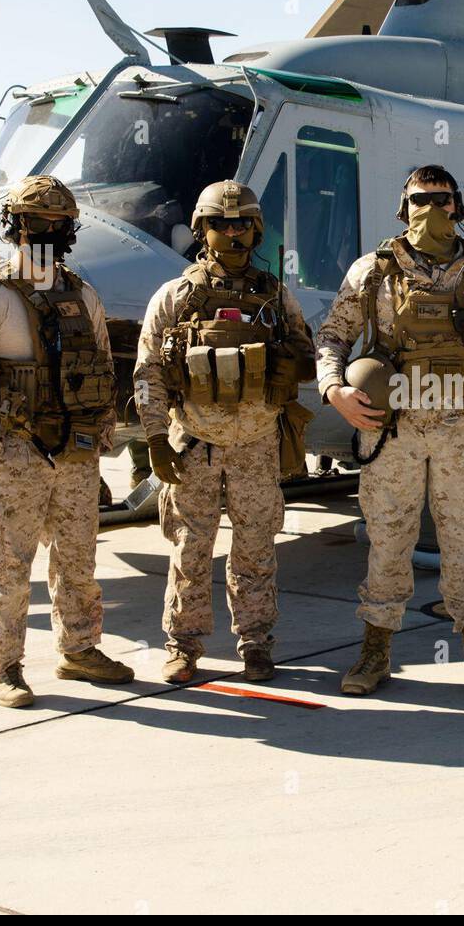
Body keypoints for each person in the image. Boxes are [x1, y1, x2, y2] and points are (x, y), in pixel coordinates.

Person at [316, 165, 464, 696]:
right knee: (387, 544)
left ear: (458, 206)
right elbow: (332, 336)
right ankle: (375, 653)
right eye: (419, 199)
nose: (430, 208)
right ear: (403, 207)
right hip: (393, 435)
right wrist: (334, 391)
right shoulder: (373, 271)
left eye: (442, 198)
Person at [0, 175, 132, 708]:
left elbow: (101, 365)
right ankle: (1, 665)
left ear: (69, 230)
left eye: (57, 223)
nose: (47, 231)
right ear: (14, 227)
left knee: (78, 561)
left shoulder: (81, 293)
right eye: (36, 223)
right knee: (6, 567)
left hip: (74, 452)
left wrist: (101, 436)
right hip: (14, 455)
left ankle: (79, 649)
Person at [133, 180, 315, 684]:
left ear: (256, 230)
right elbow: (148, 372)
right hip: (194, 444)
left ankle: (256, 645)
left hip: (256, 446)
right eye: (219, 224)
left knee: (256, 550)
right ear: (202, 230)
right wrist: (153, 439)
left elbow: (307, 356)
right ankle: (183, 646)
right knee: (189, 550)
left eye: (240, 224)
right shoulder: (175, 296)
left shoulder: (276, 296)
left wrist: (290, 364)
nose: (231, 233)